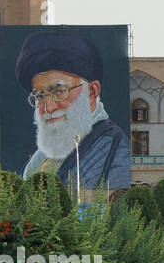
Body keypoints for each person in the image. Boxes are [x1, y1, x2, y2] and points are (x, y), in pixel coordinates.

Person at [15, 29, 131, 190]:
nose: (48, 107)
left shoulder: (111, 147)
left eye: (59, 91)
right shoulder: (43, 156)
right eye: (40, 96)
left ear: (92, 91)